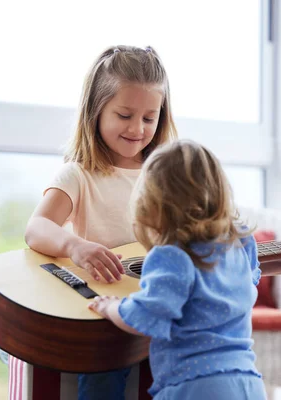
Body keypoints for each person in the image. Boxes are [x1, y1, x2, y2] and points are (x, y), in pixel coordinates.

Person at [88, 140, 281, 400]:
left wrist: (111, 307)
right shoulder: (237, 243)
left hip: (196, 385)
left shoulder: (172, 256)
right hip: (248, 383)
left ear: (153, 203)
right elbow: (245, 275)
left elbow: (143, 316)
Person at [17, 45, 178, 400]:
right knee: (103, 371)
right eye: (124, 115)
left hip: (161, 304)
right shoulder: (78, 174)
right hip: (106, 314)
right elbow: (37, 228)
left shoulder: (166, 175)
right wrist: (74, 245)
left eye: (149, 118)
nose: (138, 128)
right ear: (95, 111)